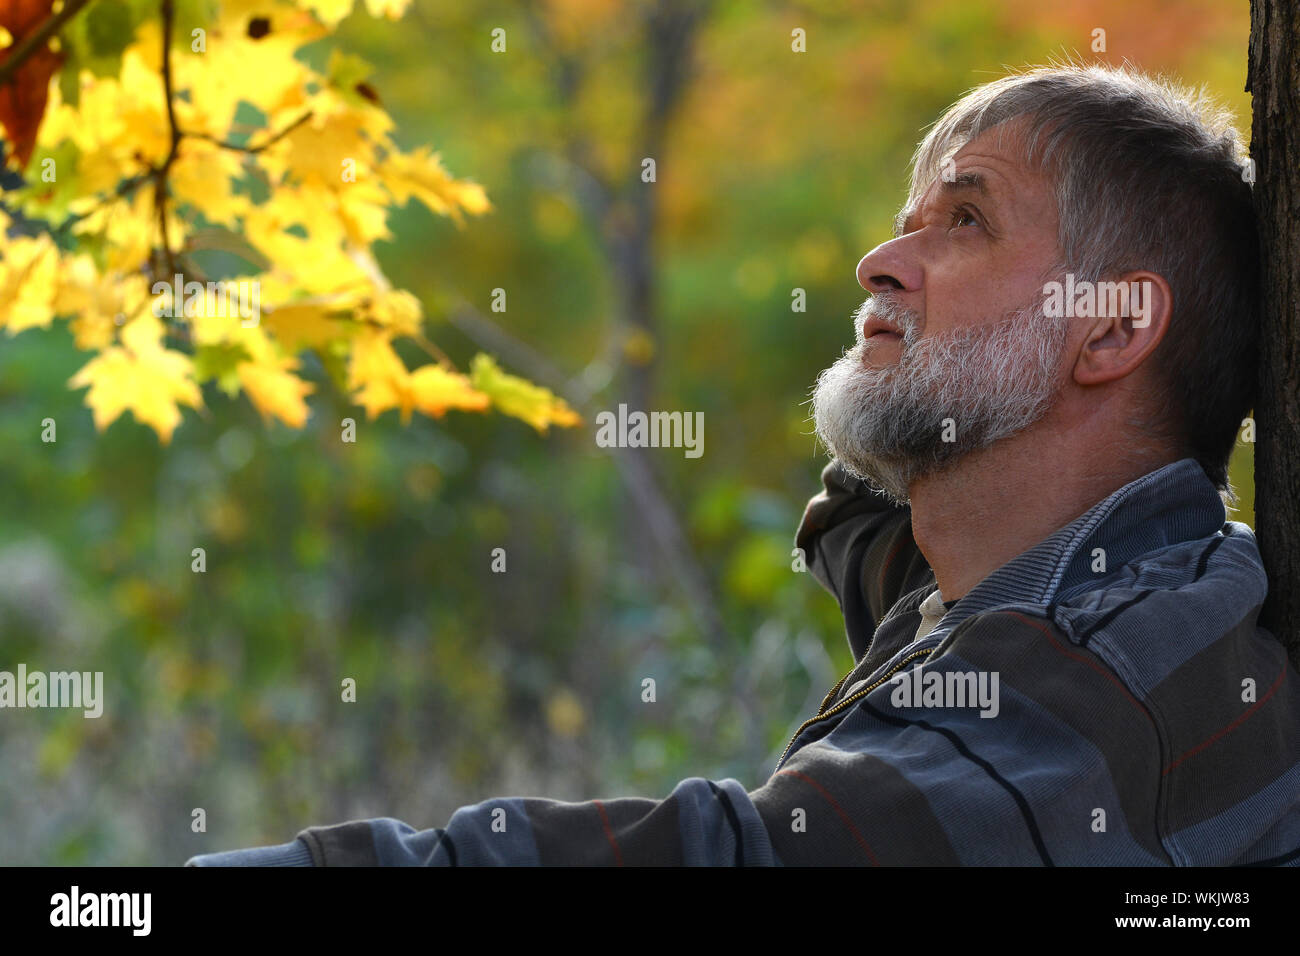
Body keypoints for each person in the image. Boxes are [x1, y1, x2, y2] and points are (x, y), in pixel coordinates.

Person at [188, 62, 1300, 866]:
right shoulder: (994, 579)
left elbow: (745, 855)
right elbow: (859, 529)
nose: (879, 261)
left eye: (964, 218)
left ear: (1108, 328)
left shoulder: (1120, 671)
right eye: (903, 219)